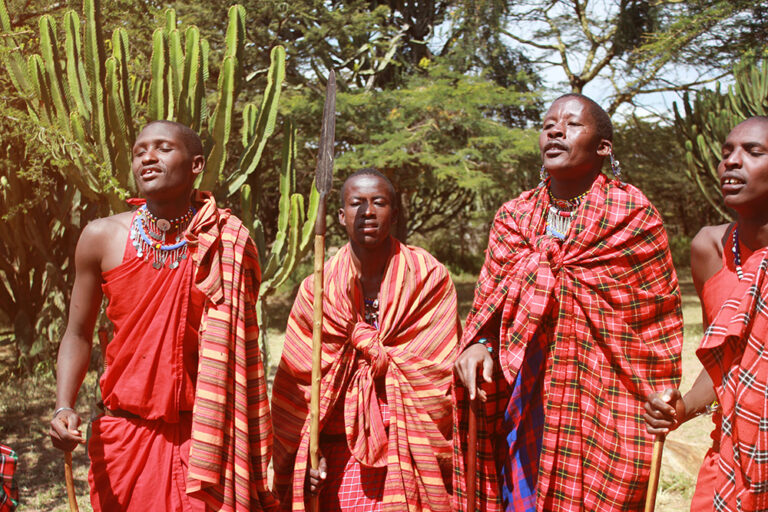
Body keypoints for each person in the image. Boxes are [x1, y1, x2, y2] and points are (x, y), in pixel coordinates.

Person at [453, 93, 684, 511]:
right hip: (524, 402)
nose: (556, 130)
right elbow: (491, 312)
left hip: (605, 403)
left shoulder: (632, 216)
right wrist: (479, 346)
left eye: (573, 124)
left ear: (604, 148)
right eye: (548, 125)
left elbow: (653, 326)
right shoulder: (514, 217)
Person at [48, 120, 277, 511]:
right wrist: (64, 406)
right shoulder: (101, 237)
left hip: (207, 436)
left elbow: (241, 343)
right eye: (139, 152)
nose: (148, 158)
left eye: (163, 148)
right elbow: (77, 334)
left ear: (196, 164)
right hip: (126, 435)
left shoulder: (227, 241)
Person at [271, 168, 460, 511]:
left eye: (379, 203)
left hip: (408, 437)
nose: (368, 212)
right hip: (335, 446)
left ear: (394, 213)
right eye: (357, 203)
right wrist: (309, 459)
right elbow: (297, 387)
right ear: (341, 215)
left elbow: (437, 373)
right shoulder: (319, 288)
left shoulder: (428, 277)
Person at [644, 116, 768, 510]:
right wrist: (681, 409)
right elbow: (726, 366)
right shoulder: (709, 249)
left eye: (753, 151)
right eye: (726, 152)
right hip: (730, 463)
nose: (731, 161)